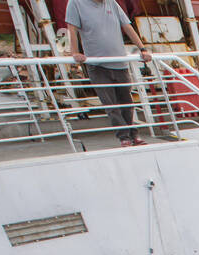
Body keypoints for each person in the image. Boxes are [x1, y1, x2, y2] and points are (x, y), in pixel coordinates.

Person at [65, 0, 153, 147]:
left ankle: (133, 134)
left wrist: (142, 49)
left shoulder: (111, 3)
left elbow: (127, 26)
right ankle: (124, 137)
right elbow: (72, 29)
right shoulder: (75, 3)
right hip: (97, 65)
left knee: (127, 103)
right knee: (111, 105)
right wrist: (75, 52)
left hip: (119, 63)